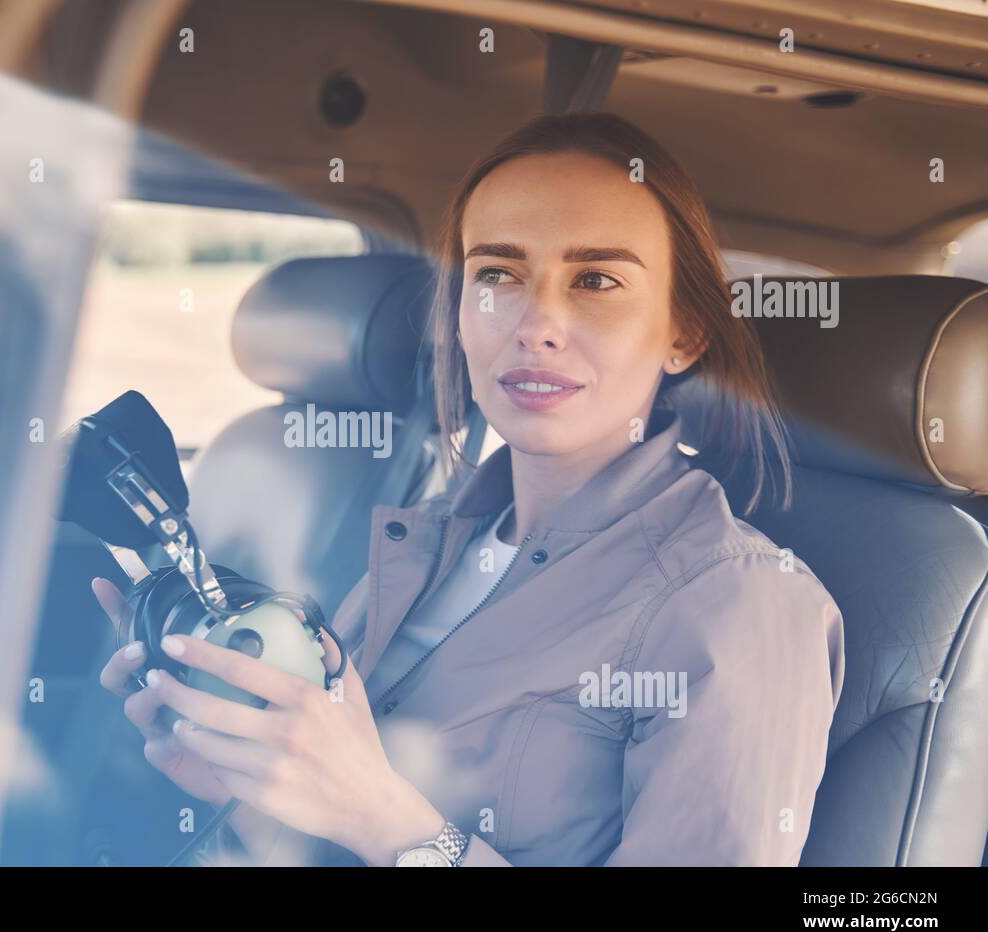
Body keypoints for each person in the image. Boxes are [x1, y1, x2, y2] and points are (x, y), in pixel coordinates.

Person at [95, 112, 845, 866]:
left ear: (685, 332)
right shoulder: (425, 536)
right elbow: (328, 821)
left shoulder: (743, 605)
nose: (536, 323)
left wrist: (392, 825)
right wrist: (243, 786)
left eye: (596, 280)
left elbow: (371, 816)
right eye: (497, 275)